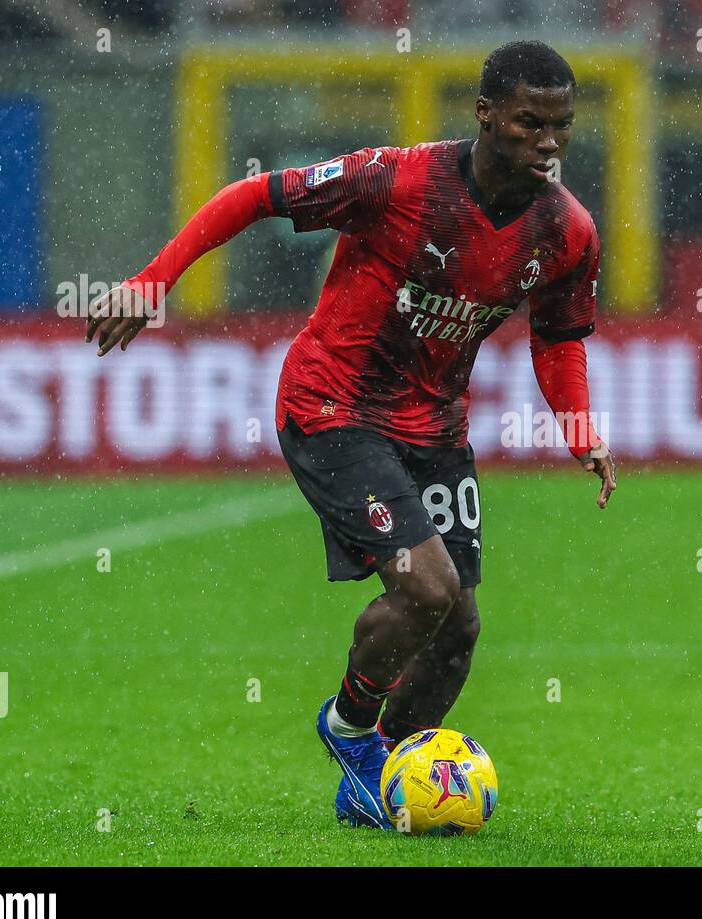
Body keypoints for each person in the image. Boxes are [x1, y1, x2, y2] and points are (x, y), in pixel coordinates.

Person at [85, 40, 617, 829]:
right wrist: (152, 282)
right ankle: (347, 728)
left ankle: (379, 784)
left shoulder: (566, 231)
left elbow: (559, 335)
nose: (547, 143)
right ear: (484, 114)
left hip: (433, 428)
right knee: (425, 587)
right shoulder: (396, 180)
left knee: (458, 627)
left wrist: (580, 429)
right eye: (528, 123)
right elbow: (256, 195)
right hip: (332, 408)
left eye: (561, 127)